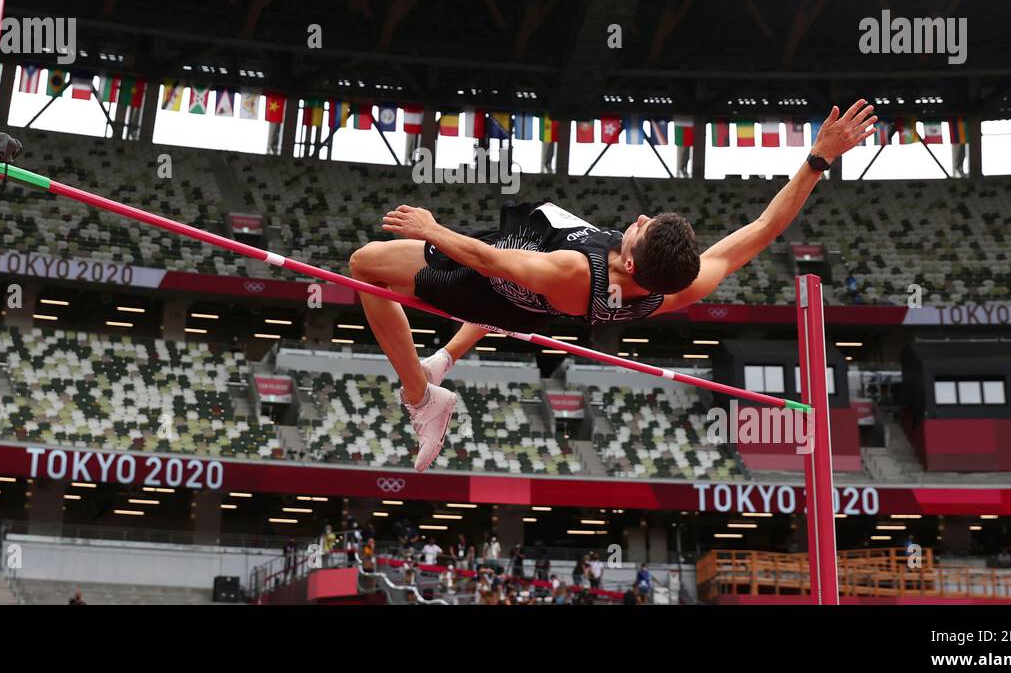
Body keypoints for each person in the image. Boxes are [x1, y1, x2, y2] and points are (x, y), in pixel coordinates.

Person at [348, 102, 877, 469]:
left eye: (641, 228)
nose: (640, 217)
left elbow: (489, 261)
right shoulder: (681, 284)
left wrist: (431, 227)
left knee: (365, 264)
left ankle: (422, 397)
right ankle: (442, 362)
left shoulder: (575, 273)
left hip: (496, 284)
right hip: (528, 271)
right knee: (509, 273)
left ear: (627, 258)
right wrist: (817, 159)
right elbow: (764, 229)